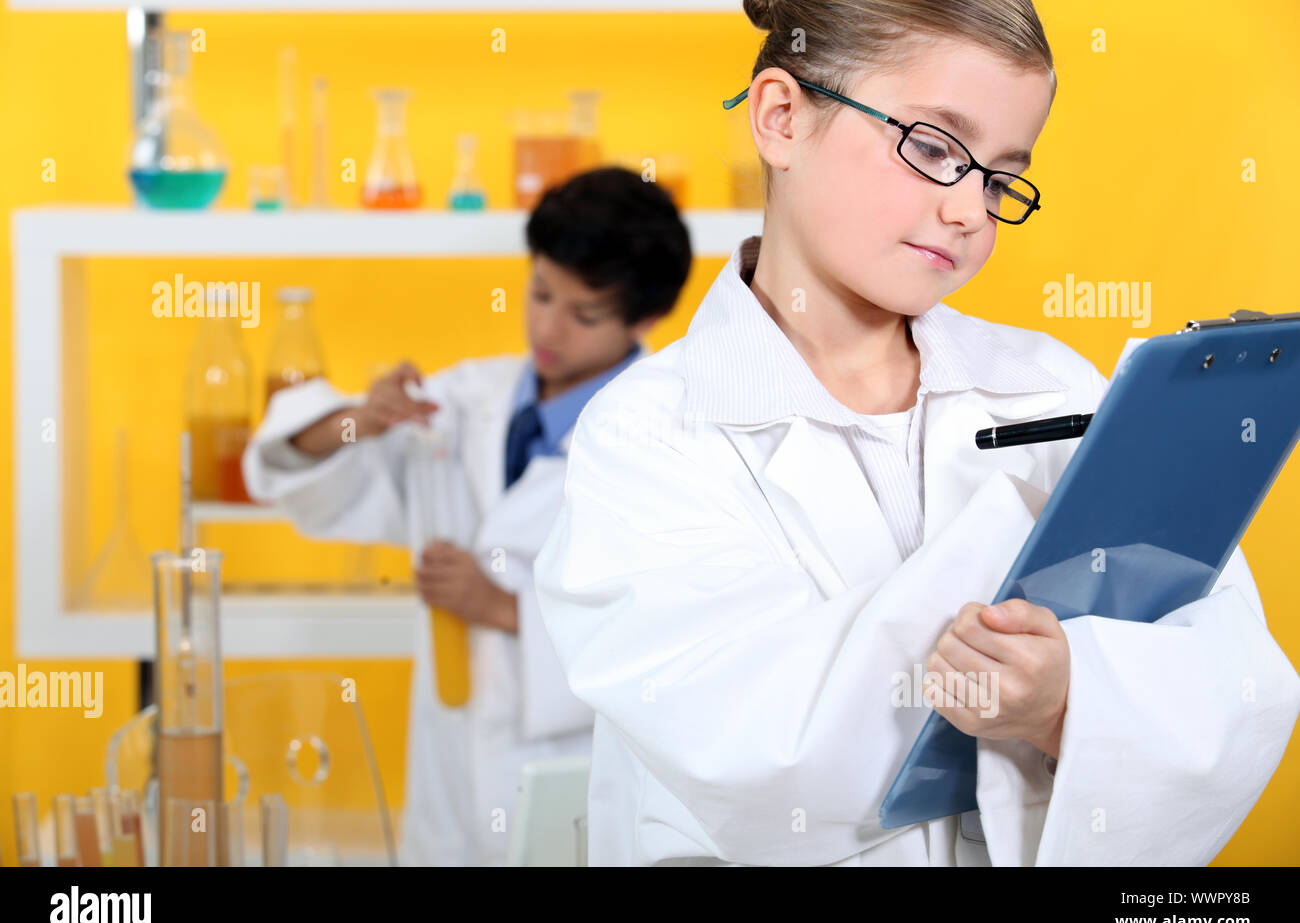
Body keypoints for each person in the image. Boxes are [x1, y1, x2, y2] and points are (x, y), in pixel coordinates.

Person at [532, 0, 1300, 866]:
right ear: (781, 118)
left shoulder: (1055, 385)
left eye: (1002, 179)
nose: (971, 209)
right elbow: (766, 749)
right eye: (934, 148)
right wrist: (1035, 557)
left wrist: (1068, 698)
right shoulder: (649, 435)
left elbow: (1243, 678)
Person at [242, 167, 692, 865]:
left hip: (585, 775)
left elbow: (679, 631)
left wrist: (502, 608)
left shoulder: (679, 440)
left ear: (643, 319)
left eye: (583, 314)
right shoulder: (461, 401)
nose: (548, 327)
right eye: (540, 293)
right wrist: (359, 419)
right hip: (448, 773)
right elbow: (306, 475)